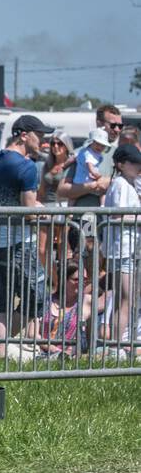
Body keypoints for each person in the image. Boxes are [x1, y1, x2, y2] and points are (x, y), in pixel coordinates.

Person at [0, 114, 53, 357]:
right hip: (19, 242)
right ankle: (16, 346)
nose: (42, 141)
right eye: (39, 135)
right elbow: (28, 212)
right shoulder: (27, 166)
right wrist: (43, 212)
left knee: (0, 300)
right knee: (40, 296)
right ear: (24, 135)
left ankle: (0, 351)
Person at [101, 141, 141, 345]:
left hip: (127, 248)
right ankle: (118, 346)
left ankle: (119, 344)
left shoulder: (129, 184)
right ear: (121, 164)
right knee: (126, 299)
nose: (138, 167)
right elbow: (117, 216)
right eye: (134, 163)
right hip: (121, 248)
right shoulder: (120, 184)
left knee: (124, 299)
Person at [58, 104, 122, 207]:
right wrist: (91, 186)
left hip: (107, 221)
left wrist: (109, 182)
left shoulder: (120, 154)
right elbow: (62, 191)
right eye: (113, 125)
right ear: (99, 123)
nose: (117, 130)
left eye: (120, 126)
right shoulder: (80, 153)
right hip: (79, 219)